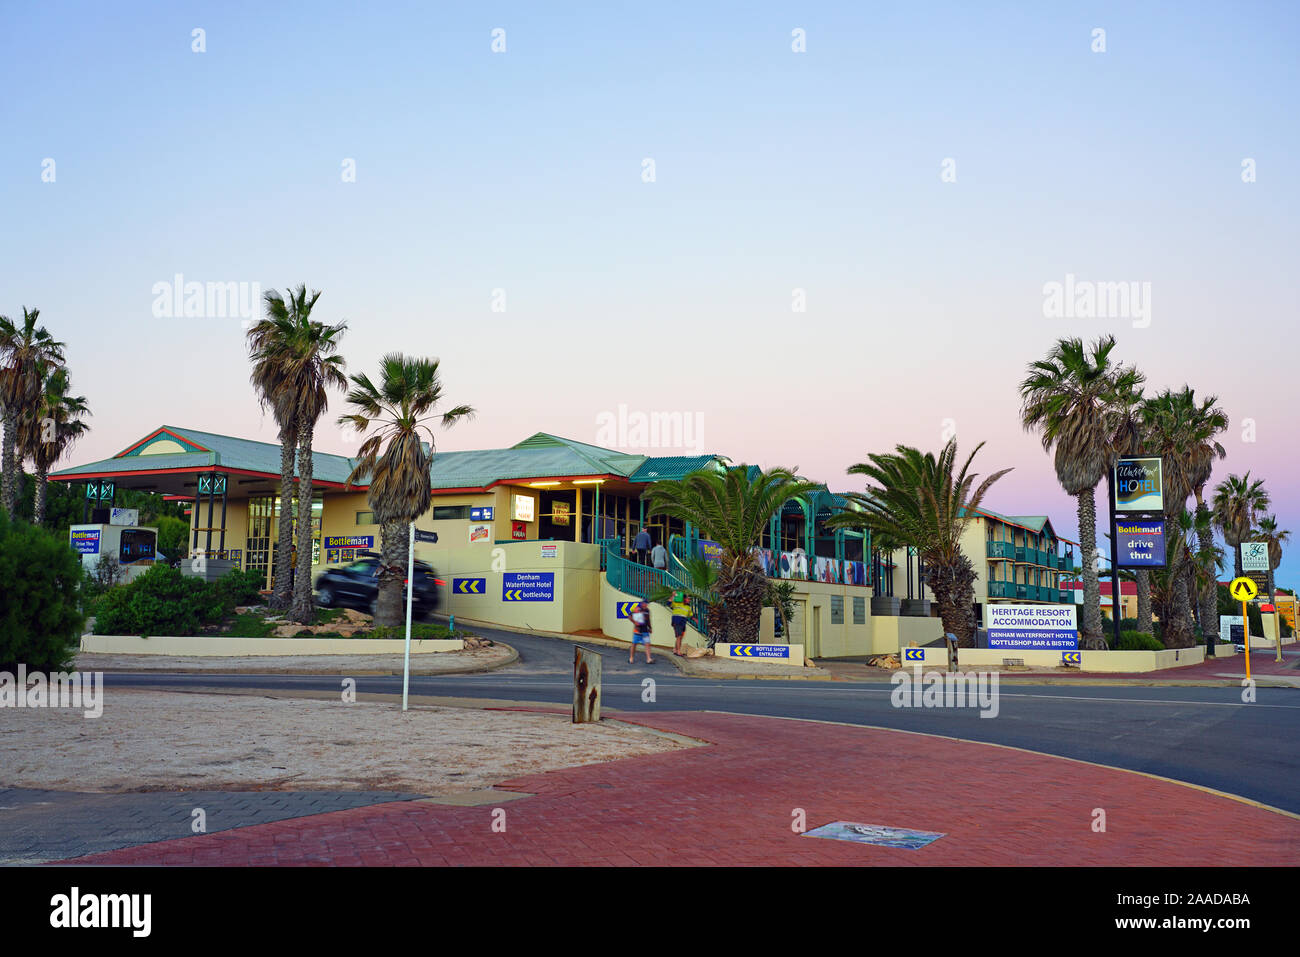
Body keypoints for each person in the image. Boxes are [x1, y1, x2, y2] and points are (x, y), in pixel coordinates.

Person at [670, 590, 691, 656]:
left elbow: (690, 615)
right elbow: (668, 603)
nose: (689, 600)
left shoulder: (688, 607)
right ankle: (678, 651)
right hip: (677, 621)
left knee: (680, 637)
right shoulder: (677, 603)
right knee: (679, 636)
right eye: (688, 599)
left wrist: (695, 619)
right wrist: (673, 595)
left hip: (683, 623)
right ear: (684, 599)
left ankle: (675, 649)